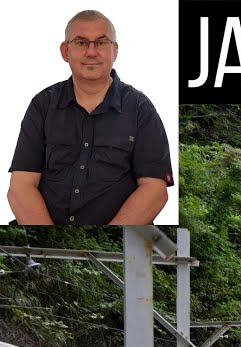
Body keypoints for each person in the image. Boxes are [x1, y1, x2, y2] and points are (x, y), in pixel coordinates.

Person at [7, 10, 173, 225]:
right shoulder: (43, 105)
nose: (92, 52)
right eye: (82, 43)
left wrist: (114, 239)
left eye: (101, 43)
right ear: (65, 51)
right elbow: (20, 185)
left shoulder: (141, 109)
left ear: (115, 50)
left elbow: (155, 190)